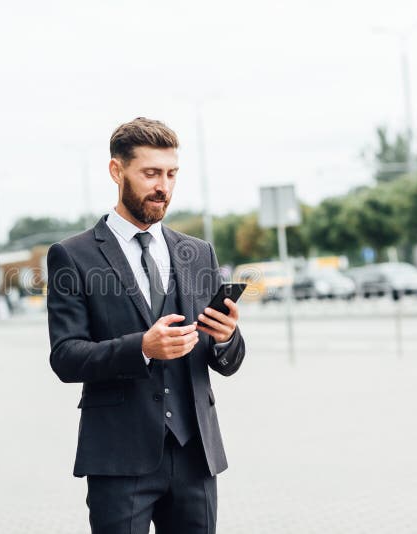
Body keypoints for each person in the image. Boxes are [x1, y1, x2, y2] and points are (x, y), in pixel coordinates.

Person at [47, 117, 246, 533]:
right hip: (119, 458)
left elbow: (223, 358)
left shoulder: (197, 252)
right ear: (116, 171)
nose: (164, 186)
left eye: (172, 174)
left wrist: (227, 339)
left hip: (195, 456)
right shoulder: (72, 256)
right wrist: (141, 347)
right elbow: (66, 357)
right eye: (151, 173)